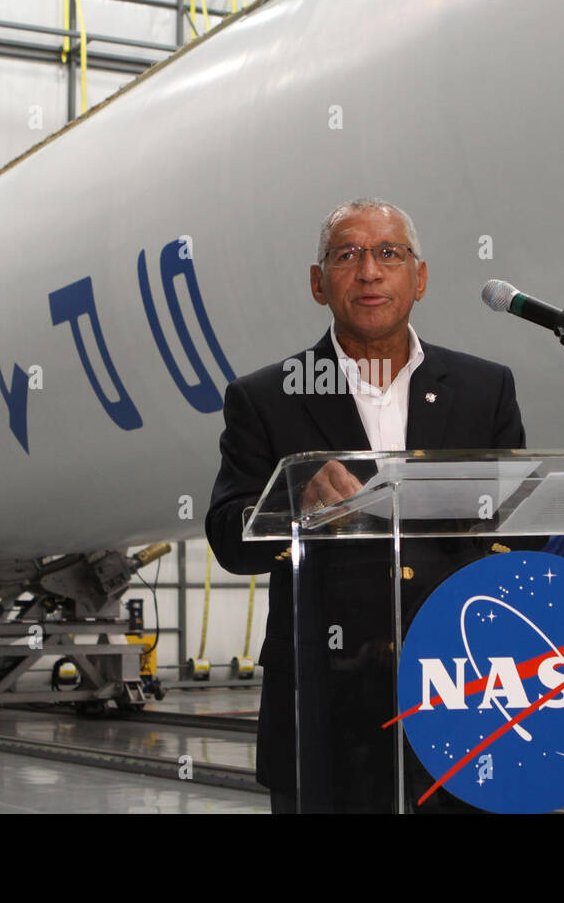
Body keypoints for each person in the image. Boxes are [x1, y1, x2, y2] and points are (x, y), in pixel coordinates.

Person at [205, 198, 528, 812]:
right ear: (318, 283)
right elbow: (228, 536)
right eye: (347, 255)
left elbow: (518, 527)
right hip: (323, 706)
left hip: (464, 693)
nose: (370, 272)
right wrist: (296, 501)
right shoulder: (265, 397)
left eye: (389, 253)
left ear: (420, 277)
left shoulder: (485, 389)